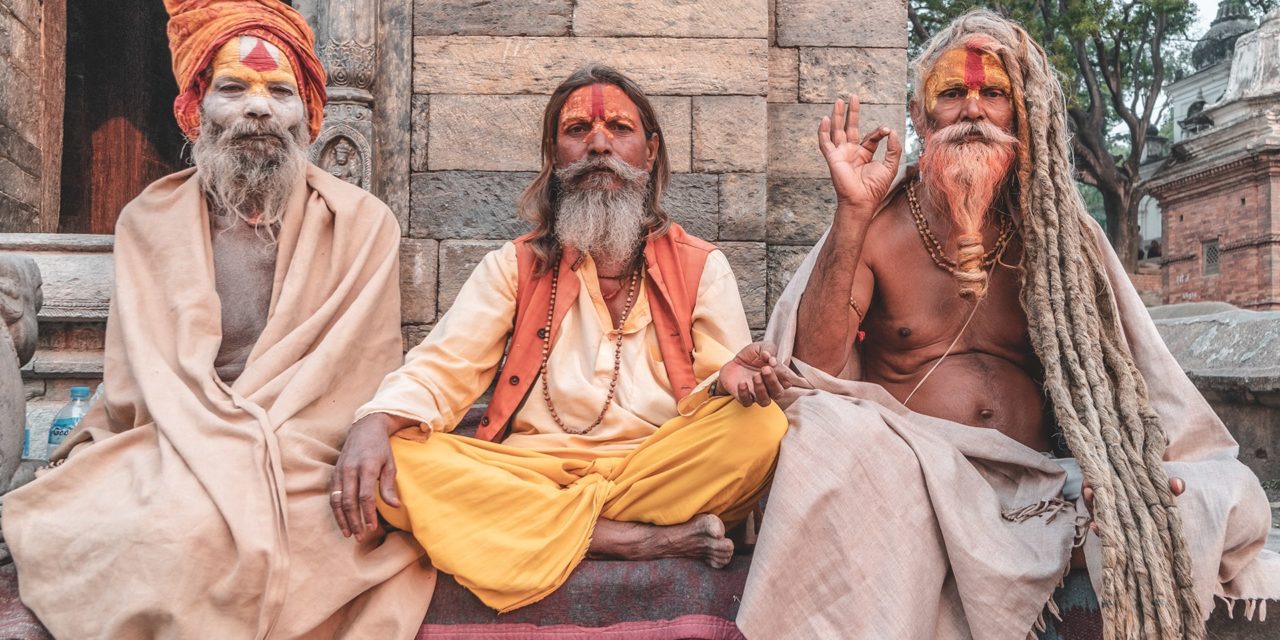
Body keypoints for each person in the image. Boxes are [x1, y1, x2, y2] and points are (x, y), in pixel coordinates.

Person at [738, 10, 1280, 639]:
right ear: (920, 117)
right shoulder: (876, 225)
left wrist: (1121, 468)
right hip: (913, 469)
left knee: (1220, 492)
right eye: (952, 93)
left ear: (1022, 116)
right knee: (829, 434)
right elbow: (819, 370)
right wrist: (851, 214)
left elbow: (1131, 380)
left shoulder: (1059, 234)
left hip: (1047, 480)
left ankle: (1060, 537)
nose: (973, 109)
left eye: (993, 93)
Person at [2, 1, 434, 637]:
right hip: (173, 441)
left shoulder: (363, 224)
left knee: (324, 525)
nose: (258, 108)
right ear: (195, 108)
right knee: (140, 519)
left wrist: (248, 451)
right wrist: (206, 448)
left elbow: (349, 382)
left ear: (308, 115)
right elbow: (136, 389)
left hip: (308, 457)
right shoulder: (148, 221)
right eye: (233, 89)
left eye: (280, 91)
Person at [331, 64, 790, 613]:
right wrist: (375, 421)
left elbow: (719, 389)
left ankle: (548, 527)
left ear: (650, 151)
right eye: (578, 131)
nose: (599, 145)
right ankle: (625, 538)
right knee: (399, 459)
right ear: (555, 156)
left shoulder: (702, 266)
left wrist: (729, 383)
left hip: (653, 468)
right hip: (534, 470)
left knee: (762, 426)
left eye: (619, 129)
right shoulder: (514, 266)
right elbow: (442, 368)